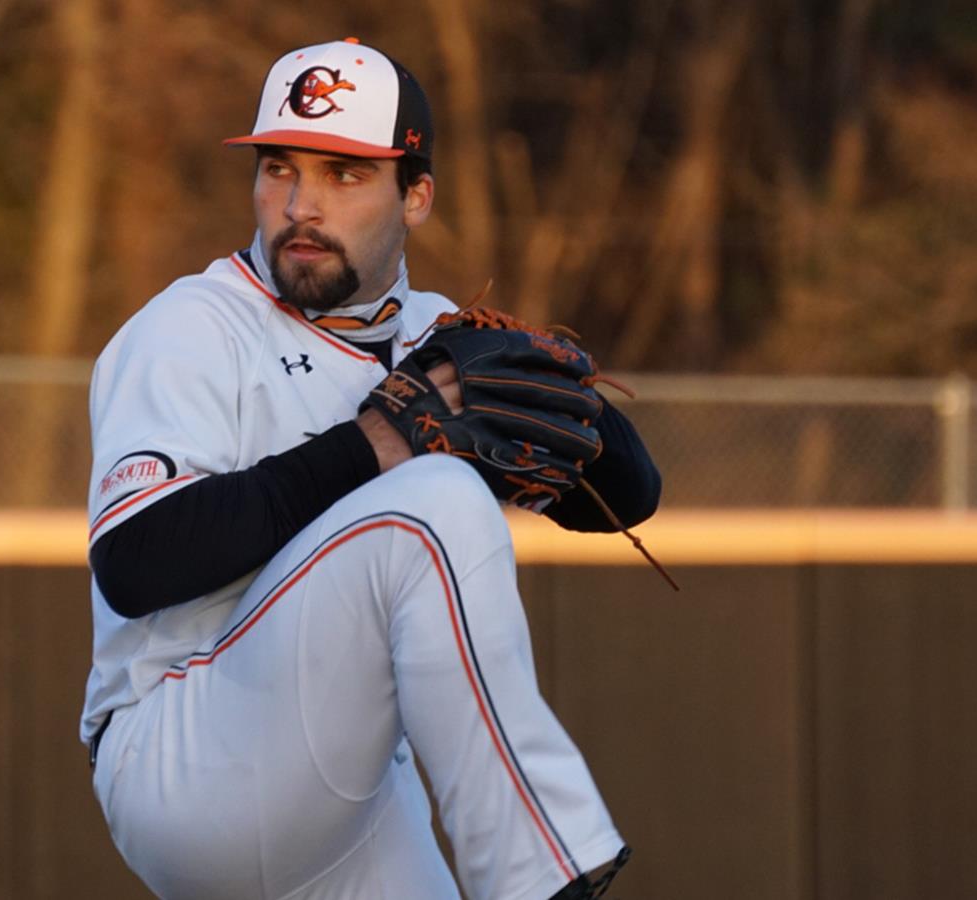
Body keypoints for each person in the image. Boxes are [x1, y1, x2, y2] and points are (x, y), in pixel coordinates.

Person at [82, 37, 661, 900]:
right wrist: (377, 443)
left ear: (415, 195)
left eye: (344, 175)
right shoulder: (193, 326)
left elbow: (626, 500)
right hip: (184, 744)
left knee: (435, 489)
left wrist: (582, 418)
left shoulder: (440, 339)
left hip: (347, 794)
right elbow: (136, 564)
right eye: (279, 168)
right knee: (431, 497)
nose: (300, 205)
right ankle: (538, 871)